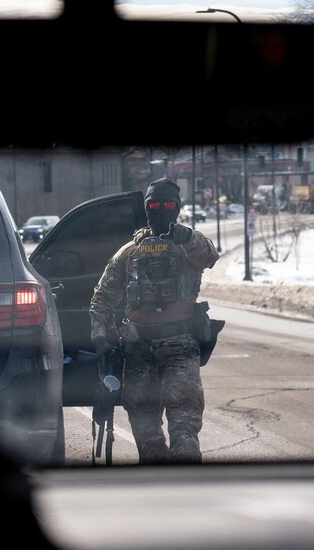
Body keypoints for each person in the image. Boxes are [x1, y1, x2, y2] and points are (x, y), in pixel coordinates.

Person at [90, 177, 220, 464]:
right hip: (138, 350)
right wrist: (99, 336)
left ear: (177, 208)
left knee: (184, 429)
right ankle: (159, 482)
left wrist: (184, 236)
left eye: (168, 205)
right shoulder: (129, 252)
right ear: (146, 208)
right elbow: (102, 297)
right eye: (154, 205)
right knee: (145, 431)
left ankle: (186, 489)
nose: (161, 210)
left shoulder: (189, 245)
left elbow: (210, 254)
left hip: (180, 348)